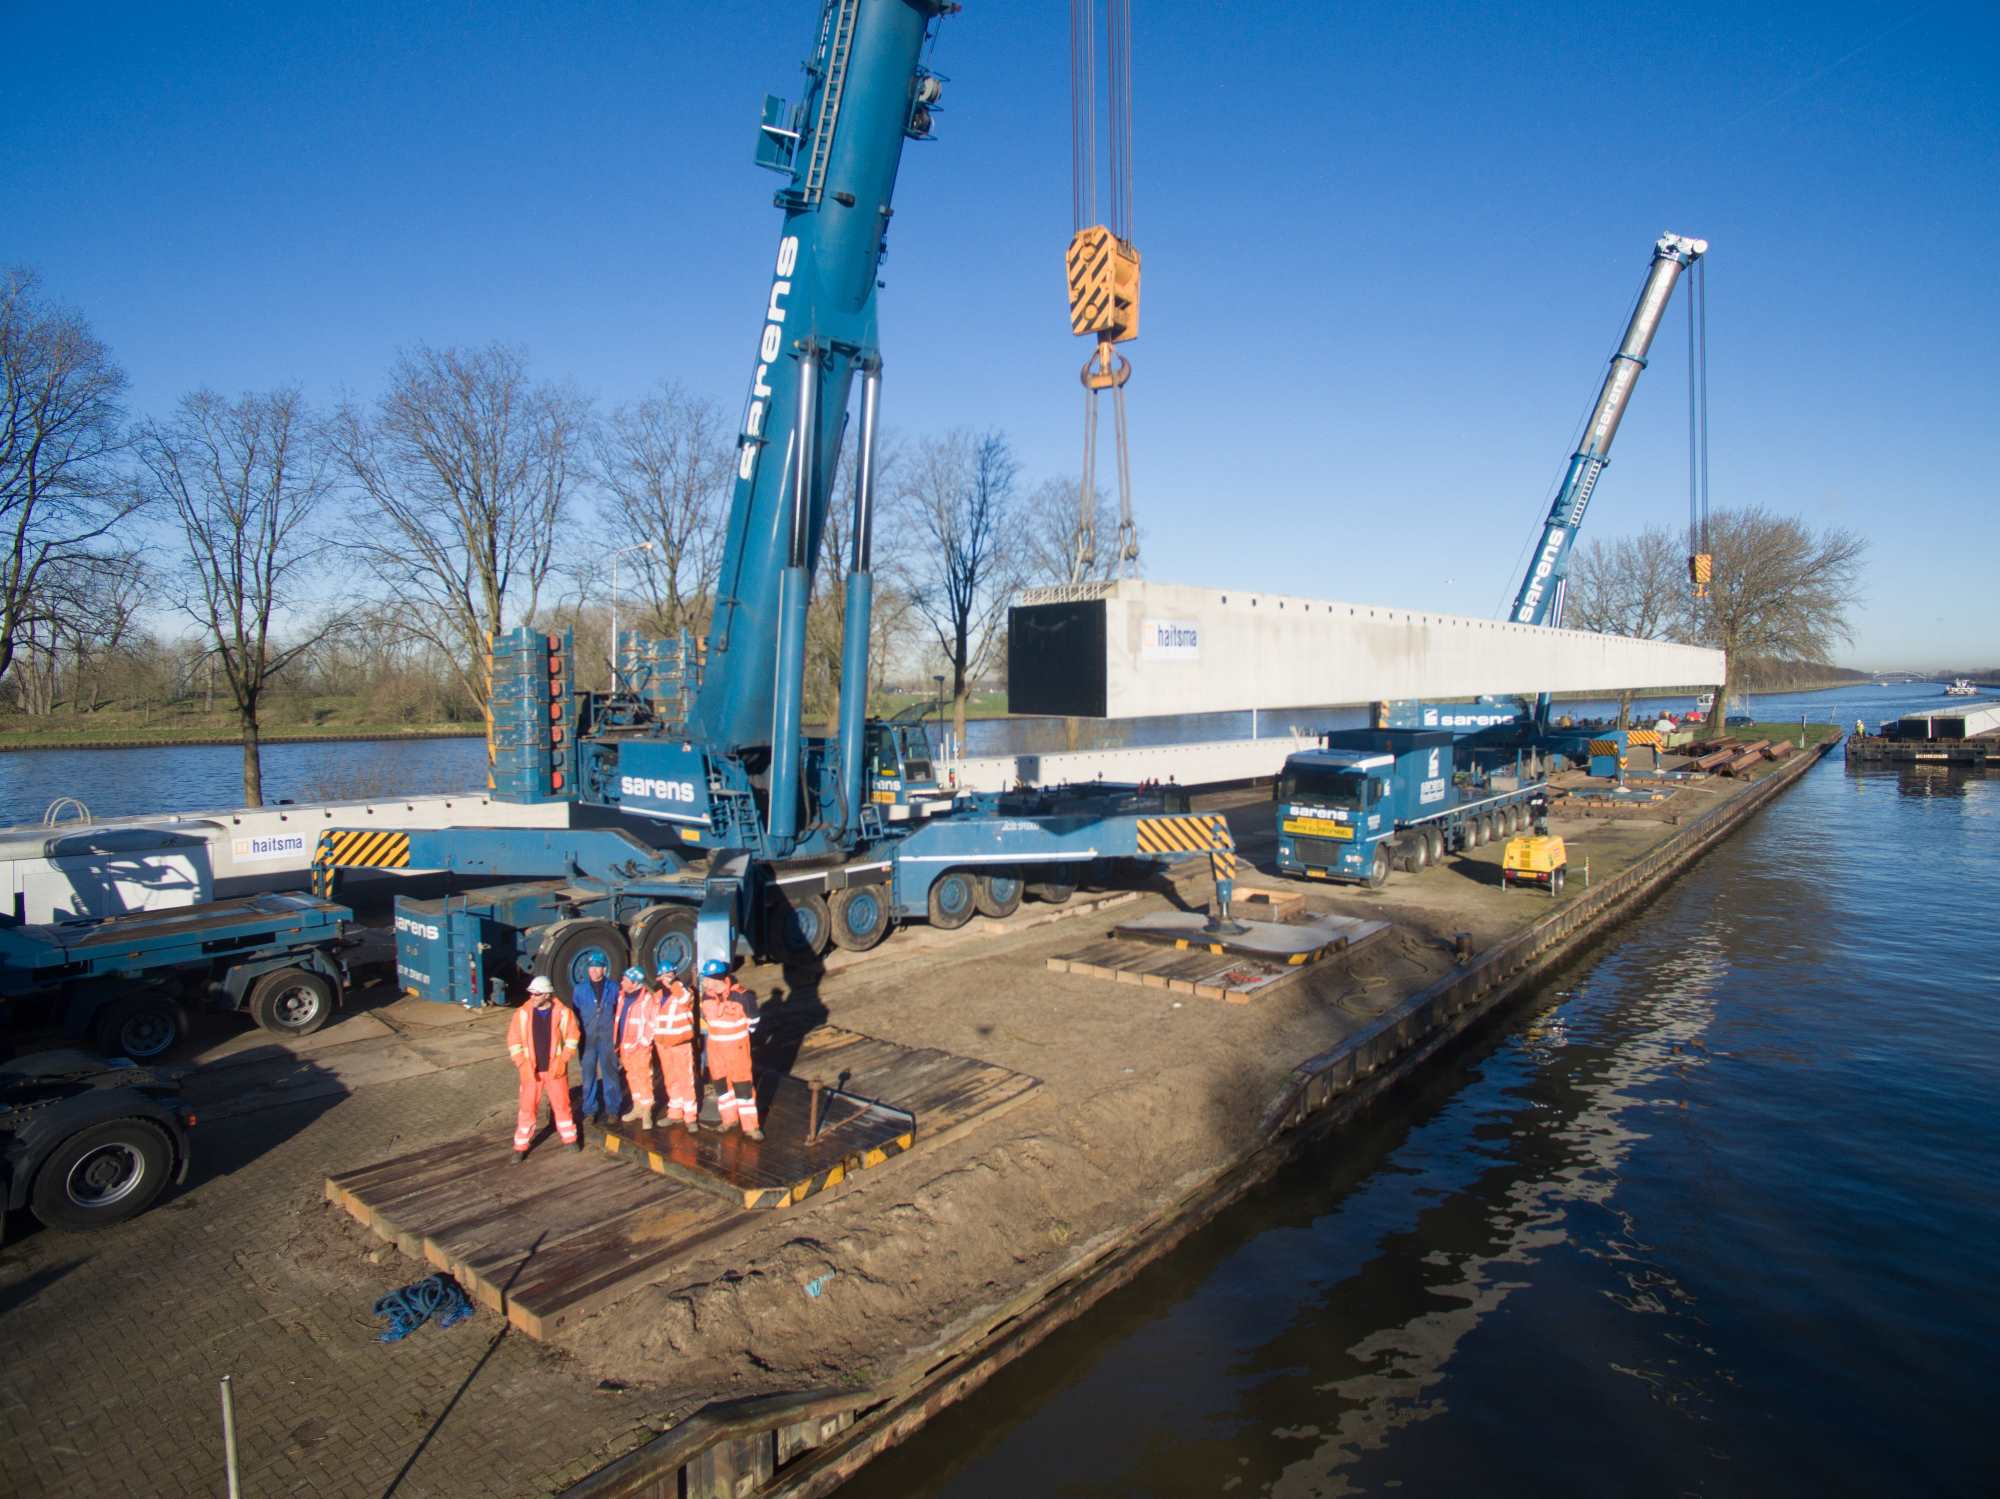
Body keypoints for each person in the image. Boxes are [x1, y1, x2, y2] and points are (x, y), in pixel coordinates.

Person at [507, 976, 581, 1160]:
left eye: (537, 994)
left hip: (555, 1069)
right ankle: (521, 1146)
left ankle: (570, 1139)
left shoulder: (564, 1013)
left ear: (547, 994)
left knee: (562, 1105)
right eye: (531, 993)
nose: (532, 997)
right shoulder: (522, 1014)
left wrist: (563, 1060)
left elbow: (572, 1037)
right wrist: (522, 1064)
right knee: (527, 1108)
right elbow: (513, 1041)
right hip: (531, 1071)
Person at [699, 958, 762, 1140]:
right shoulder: (707, 995)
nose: (704, 982)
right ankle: (728, 1119)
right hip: (715, 1049)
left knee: (743, 1086)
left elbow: (754, 1023)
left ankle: (750, 1127)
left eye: (707, 978)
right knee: (721, 1086)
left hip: (737, 1049)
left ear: (717, 979)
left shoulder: (743, 996)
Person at [570, 953, 624, 1124]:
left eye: (597, 967)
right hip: (588, 1039)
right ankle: (590, 1109)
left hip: (608, 1038)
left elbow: (619, 1012)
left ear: (604, 969)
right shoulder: (579, 989)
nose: (593, 970)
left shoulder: (614, 988)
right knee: (588, 1076)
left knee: (611, 1074)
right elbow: (576, 1011)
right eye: (591, 967)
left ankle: (613, 1109)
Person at [651, 964, 700, 1132]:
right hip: (663, 1044)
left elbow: (685, 1000)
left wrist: (674, 984)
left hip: (680, 1043)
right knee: (671, 1079)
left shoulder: (683, 992)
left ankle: (690, 1117)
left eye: (670, 975)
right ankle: (674, 1113)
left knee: (686, 1079)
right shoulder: (657, 996)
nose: (667, 979)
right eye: (664, 976)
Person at [613, 966, 658, 1129]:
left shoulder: (647, 1000)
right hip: (625, 1045)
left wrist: (644, 1042)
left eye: (625, 980)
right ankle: (637, 1107)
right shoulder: (622, 996)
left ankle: (647, 1112)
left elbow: (653, 1023)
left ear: (634, 982)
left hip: (639, 1047)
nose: (622, 982)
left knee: (643, 1077)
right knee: (632, 1077)